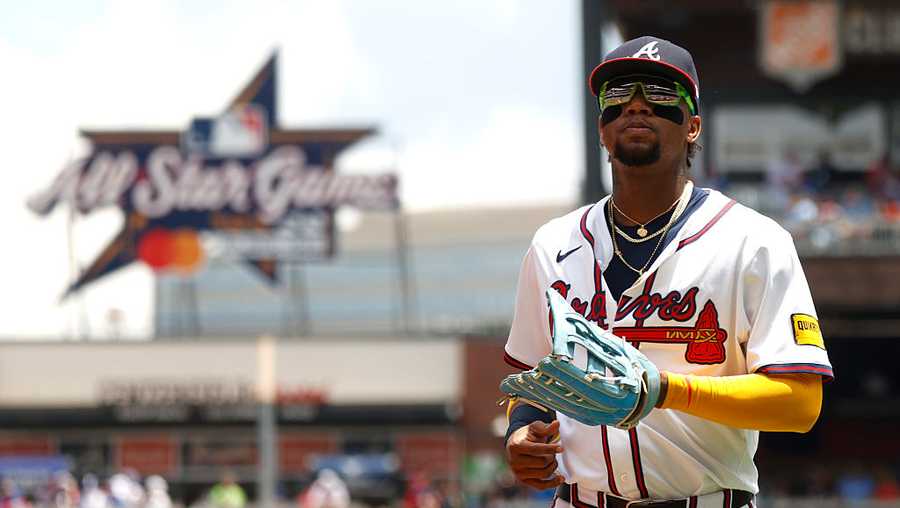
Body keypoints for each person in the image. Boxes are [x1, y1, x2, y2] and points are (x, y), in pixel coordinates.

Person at [502, 36, 833, 508]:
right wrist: (520, 433)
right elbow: (534, 379)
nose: (636, 107)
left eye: (659, 95)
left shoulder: (753, 241)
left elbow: (800, 404)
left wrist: (665, 390)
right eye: (618, 97)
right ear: (602, 129)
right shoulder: (552, 245)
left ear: (693, 125)